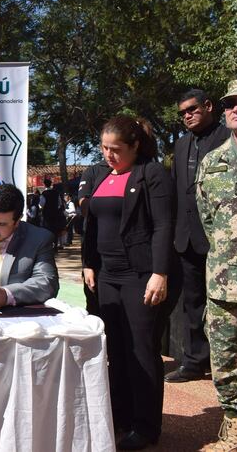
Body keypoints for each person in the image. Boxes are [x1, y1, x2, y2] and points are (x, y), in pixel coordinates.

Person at [81, 115, 173, 450]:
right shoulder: (102, 175)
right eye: (104, 148)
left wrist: (160, 272)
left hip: (140, 275)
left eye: (116, 149)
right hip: (106, 275)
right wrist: (88, 263)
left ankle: (146, 425)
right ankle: (119, 415)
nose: (109, 154)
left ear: (135, 146)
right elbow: (90, 224)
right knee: (115, 348)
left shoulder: (152, 173)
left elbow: (163, 225)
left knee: (141, 349)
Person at [196, 77, 237, 451]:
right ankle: (235, 434)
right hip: (222, 285)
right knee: (226, 364)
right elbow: (208, 220)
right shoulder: (212, 162)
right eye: (230, 102)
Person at [166, 89, 230, 384]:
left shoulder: (230, 137)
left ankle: (227, 363)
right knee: (193, 303)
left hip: (221, 239)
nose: (187, 116)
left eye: (192, 109)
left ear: (208, 106)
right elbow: (176, 191)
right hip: (186, 238)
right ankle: (194, 362)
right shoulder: (181, 145)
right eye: (182, 113)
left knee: (224, 305)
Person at [39, 178, 65, 248]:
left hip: (47, 215)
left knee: (47, 229)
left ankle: (48, 245)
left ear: (44, 185)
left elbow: (41, 204)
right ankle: (55, 244)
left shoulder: (44, 193)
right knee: (55, 229)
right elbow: (59, 204)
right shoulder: (56, 193)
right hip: (55, 214)